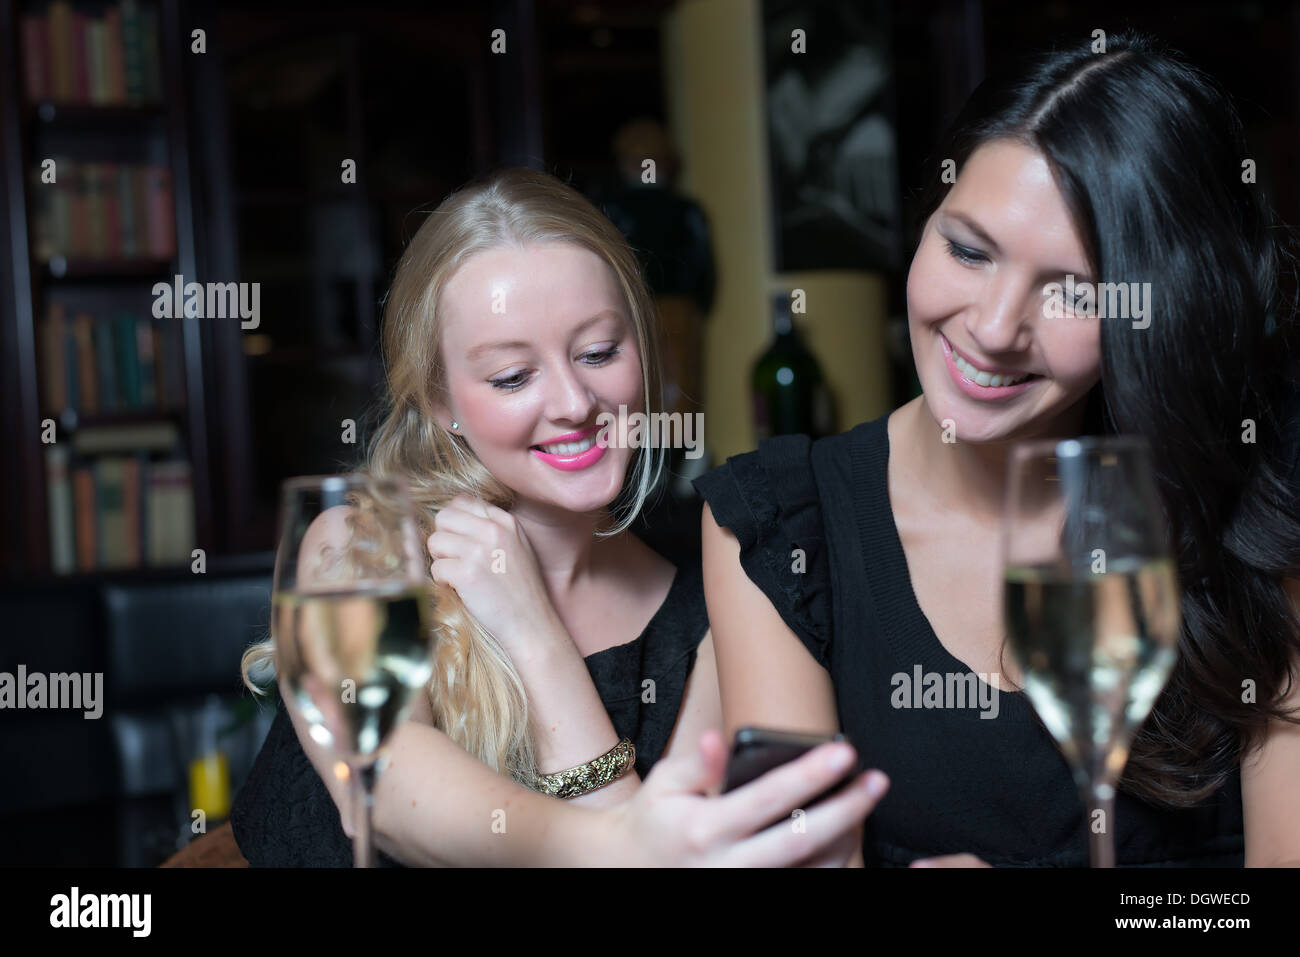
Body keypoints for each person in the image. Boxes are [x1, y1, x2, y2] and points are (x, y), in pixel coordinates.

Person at [697, 32, 1300, 867]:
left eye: (1072, 292)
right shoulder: (782, 522)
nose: (992, 328)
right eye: (968, 250)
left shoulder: (1253, 514)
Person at [233, 167, 886, 867]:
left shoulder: (714, 606)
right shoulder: (357, 544)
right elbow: (384, 786)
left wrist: (533, 631)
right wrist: (616, 840)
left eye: (600, 351)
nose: (575, 402)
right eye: (513, 376)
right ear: (439, 402)